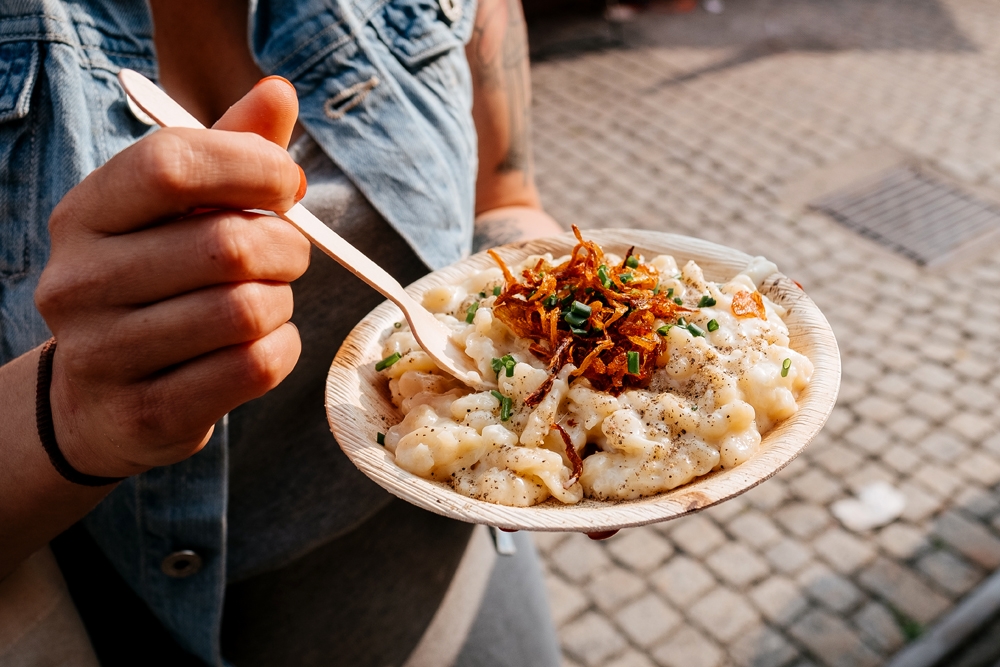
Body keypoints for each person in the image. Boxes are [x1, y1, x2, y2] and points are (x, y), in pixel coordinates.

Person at [0, 0, 597, 664]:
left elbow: (502, 188)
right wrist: (67, 412)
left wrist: (566, 349)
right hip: (123, 620)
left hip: (457, 551)